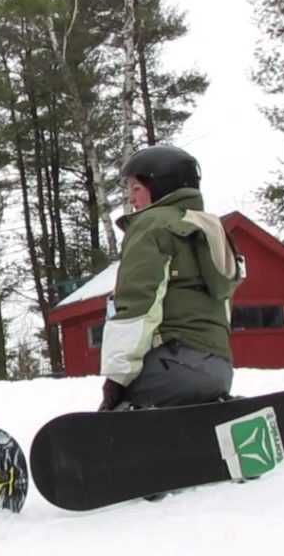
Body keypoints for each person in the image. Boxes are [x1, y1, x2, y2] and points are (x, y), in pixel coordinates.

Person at [98, 145, 244, 412]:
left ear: (160, 185)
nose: (131, 199)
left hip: (171, 366)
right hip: (219, 371)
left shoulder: (151, 225)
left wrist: (116, 380)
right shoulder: (211, 229)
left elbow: (138, 305)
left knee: (115, 429)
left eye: (136, 188)